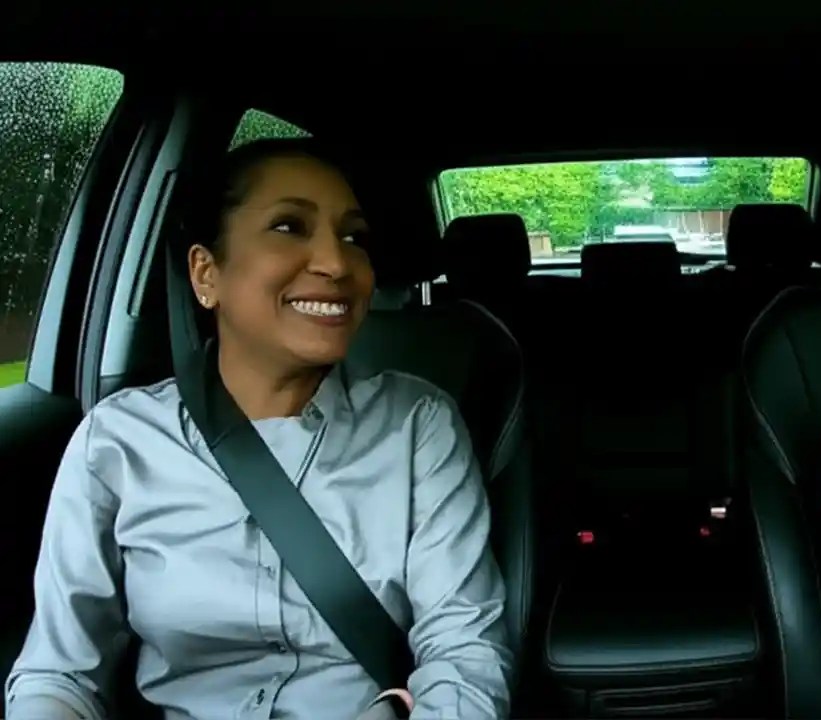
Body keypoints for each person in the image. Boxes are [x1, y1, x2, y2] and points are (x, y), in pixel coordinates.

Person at [4, 138, 513, 719]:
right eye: (290, 226)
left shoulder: (418, 426)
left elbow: (464, 652)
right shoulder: (117, 442)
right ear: (206, 273)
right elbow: (61, 672)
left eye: (354, 238)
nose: (337, 262)